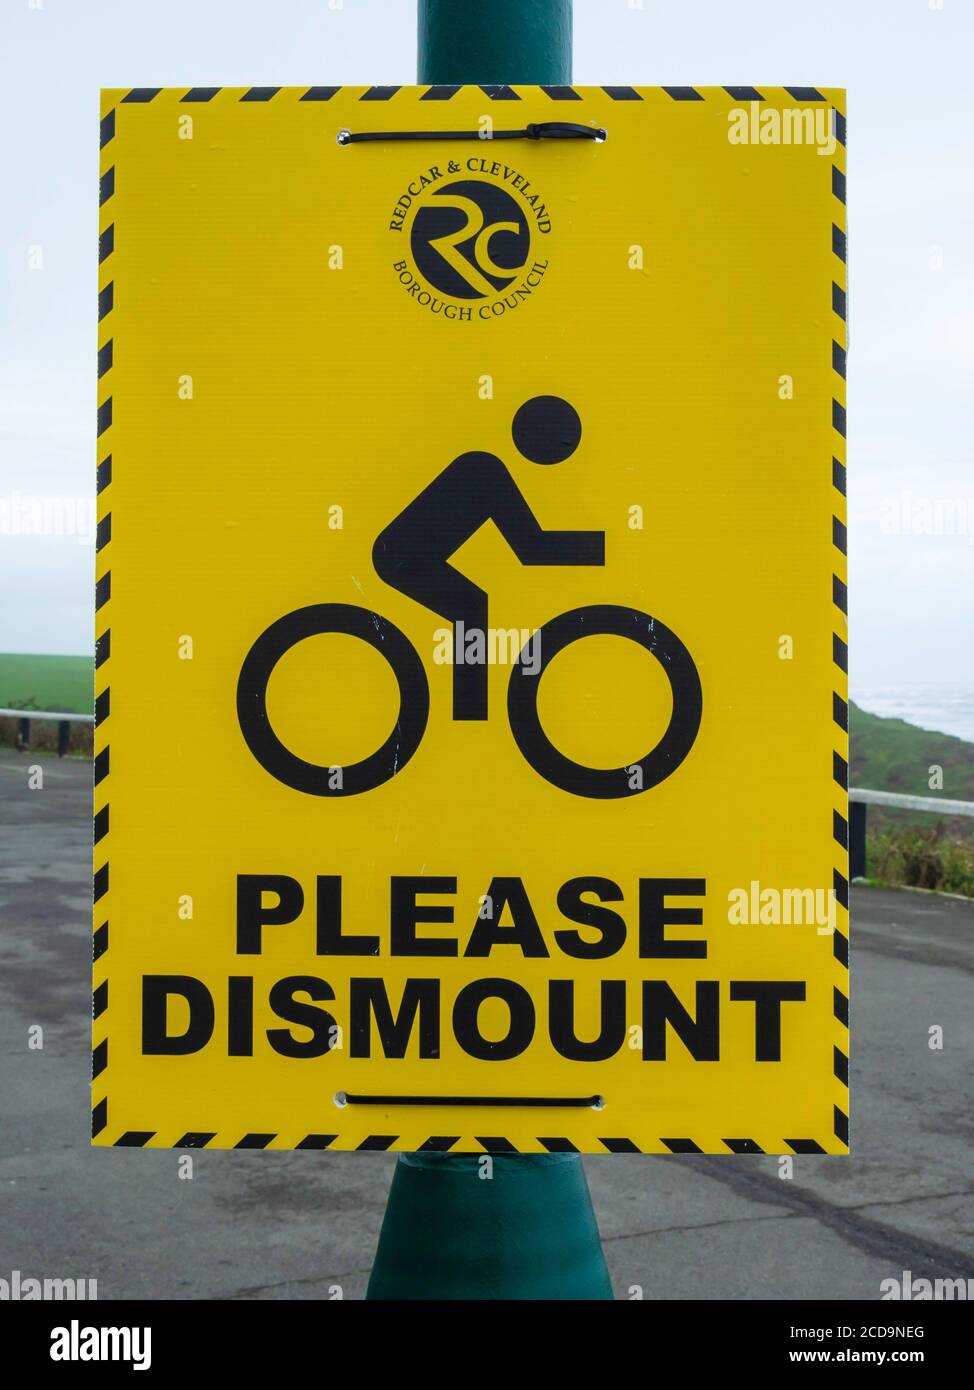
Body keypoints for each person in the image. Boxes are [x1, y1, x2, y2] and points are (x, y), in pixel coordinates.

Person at [372, 396, 604, 720]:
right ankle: (470, 710)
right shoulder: (485, 470)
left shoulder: (484, 465)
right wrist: (602, 547)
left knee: (471, 604)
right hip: (403, 558)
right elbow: (530, 548)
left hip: (403, 554)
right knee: (470, 605)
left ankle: (470, 709)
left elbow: (528, 545)